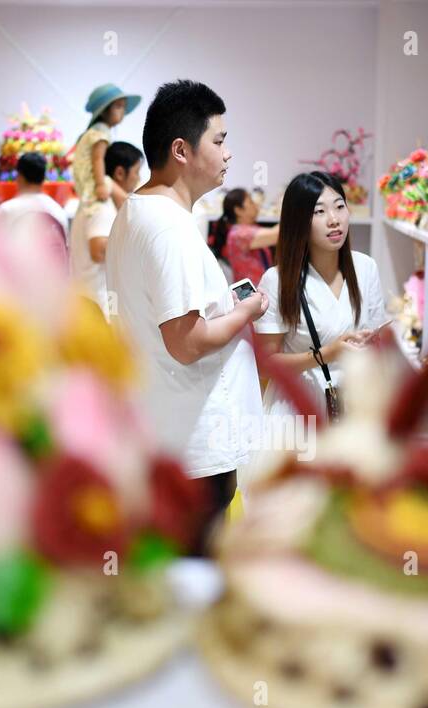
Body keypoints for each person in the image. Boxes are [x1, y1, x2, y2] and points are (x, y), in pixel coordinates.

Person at [106, 79, 267, 541]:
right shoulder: (168, 227)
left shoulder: (138, 211)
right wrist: (249, 310)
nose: (228, 153)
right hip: (193, 444)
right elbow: (187, 342)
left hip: (170, 434)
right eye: (219, 140)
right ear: (182, 149)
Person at [253, 170, 386, 421]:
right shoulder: (278, 279)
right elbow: (265, 364)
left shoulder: (365, 268)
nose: (334, 220)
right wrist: (325, 355)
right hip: (297, 407)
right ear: (299, 220)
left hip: (355, 403)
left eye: (339, 206)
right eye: (319, 211)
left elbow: (377, 337)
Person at [70, 141, 143, 316]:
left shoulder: (102, 200)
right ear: (119, 173)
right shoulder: (102, 205)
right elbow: (99, 250)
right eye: (136, 172)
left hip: (94, 297)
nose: (138, 179)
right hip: (96, 301)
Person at [74, 83, 141, 216]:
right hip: (93, 178)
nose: (122, 111)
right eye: (118, 106)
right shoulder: (101, 131)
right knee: (123, 199)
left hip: (89, 178)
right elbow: (97, 159)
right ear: (104, 111)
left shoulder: (98, 129)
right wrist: (100, 184)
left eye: (123, 107)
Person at [0, 151, 69, 267]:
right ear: (44, 177)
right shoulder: (57, 210)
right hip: (51, 281)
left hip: (14, 281)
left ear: (19, 176)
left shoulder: (6, 210)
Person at [208, 187, 279, 286]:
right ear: (238, 210)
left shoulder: (246, 230)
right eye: (250, 202)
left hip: (259, 292)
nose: (256, 204)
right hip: (252, 295)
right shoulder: (239, 234)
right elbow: (276, 235)